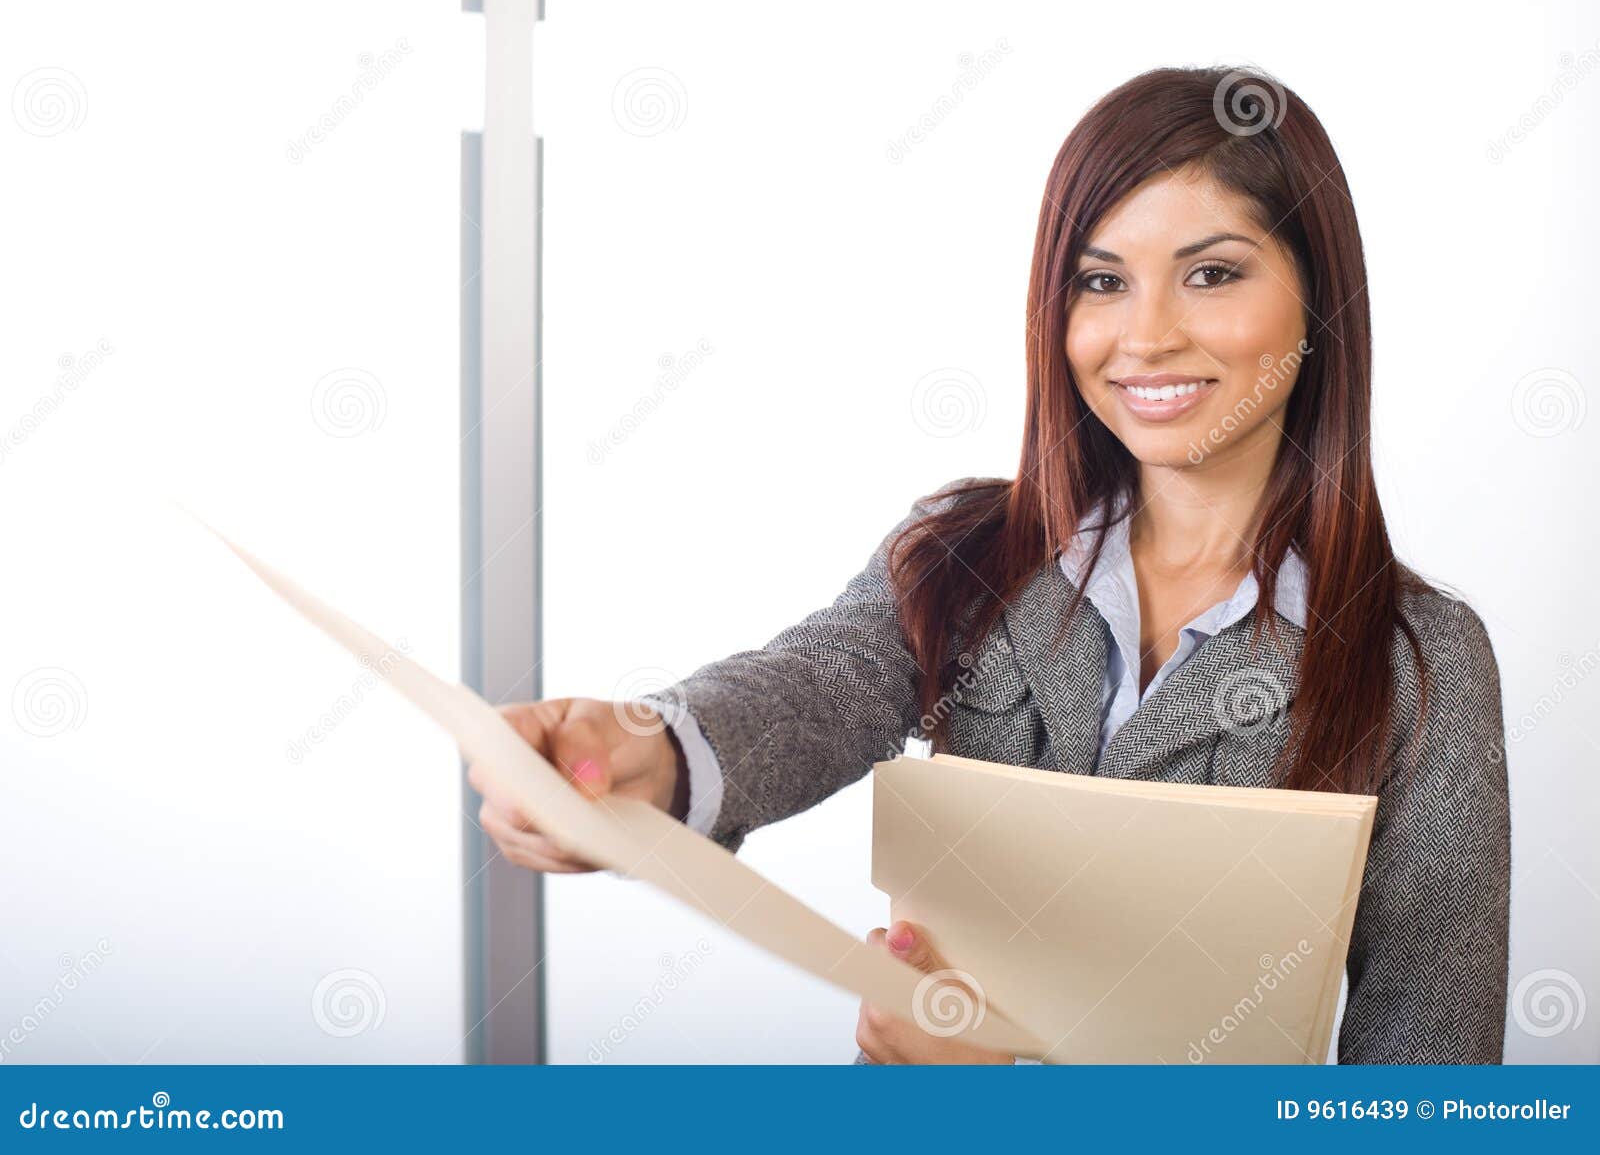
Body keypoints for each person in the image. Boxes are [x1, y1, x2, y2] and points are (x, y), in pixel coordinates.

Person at [466, 65, 1510, 1065]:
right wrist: (651, 754)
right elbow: (823, 683)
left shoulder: (1420, 660)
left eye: (1211, 273)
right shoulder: (967, 552)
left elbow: (1427, 1083)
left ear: (1318, 304)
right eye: (1100, 281)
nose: (1143, 334)